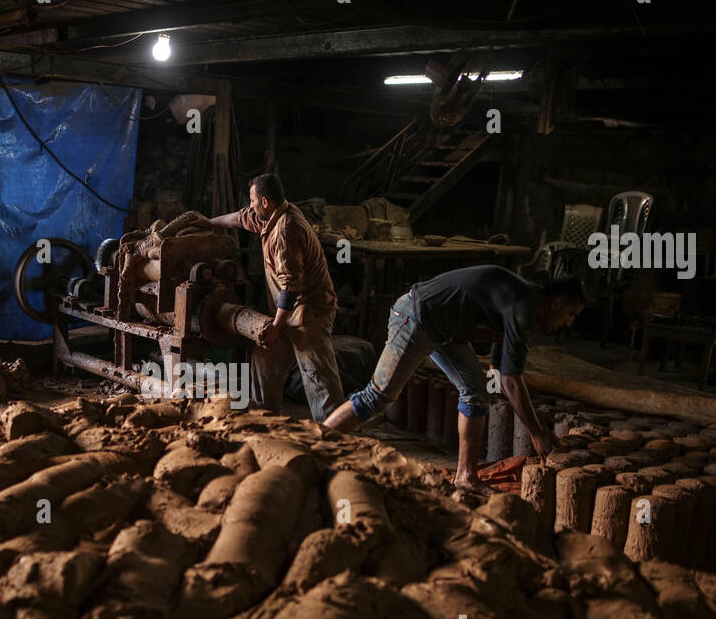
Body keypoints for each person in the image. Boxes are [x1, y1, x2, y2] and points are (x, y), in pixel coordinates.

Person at [322, 265, 585, 495]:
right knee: (378, 397)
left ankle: (466, 478)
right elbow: (511, 380)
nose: (569, 323)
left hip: (445, 329)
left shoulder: (526, 301)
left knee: (475, 392)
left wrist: (500, 382)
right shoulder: (525, 309)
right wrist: (537, 432)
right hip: (416, 316)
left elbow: (500, 365)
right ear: (558, 303)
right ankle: (315, 444)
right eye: (571, 314)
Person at [196, 173, 344, 422]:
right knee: (264, 360)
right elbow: (241, 218)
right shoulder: (271, 216)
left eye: (253, 200)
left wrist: (275, 326)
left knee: (318, 379)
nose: (250, 204)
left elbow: (291, 286)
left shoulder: (286, 230)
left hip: (309, 313)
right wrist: (209, 222)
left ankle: (335, 437)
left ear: (265, 201)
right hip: (287, 312)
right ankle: (265, 420)